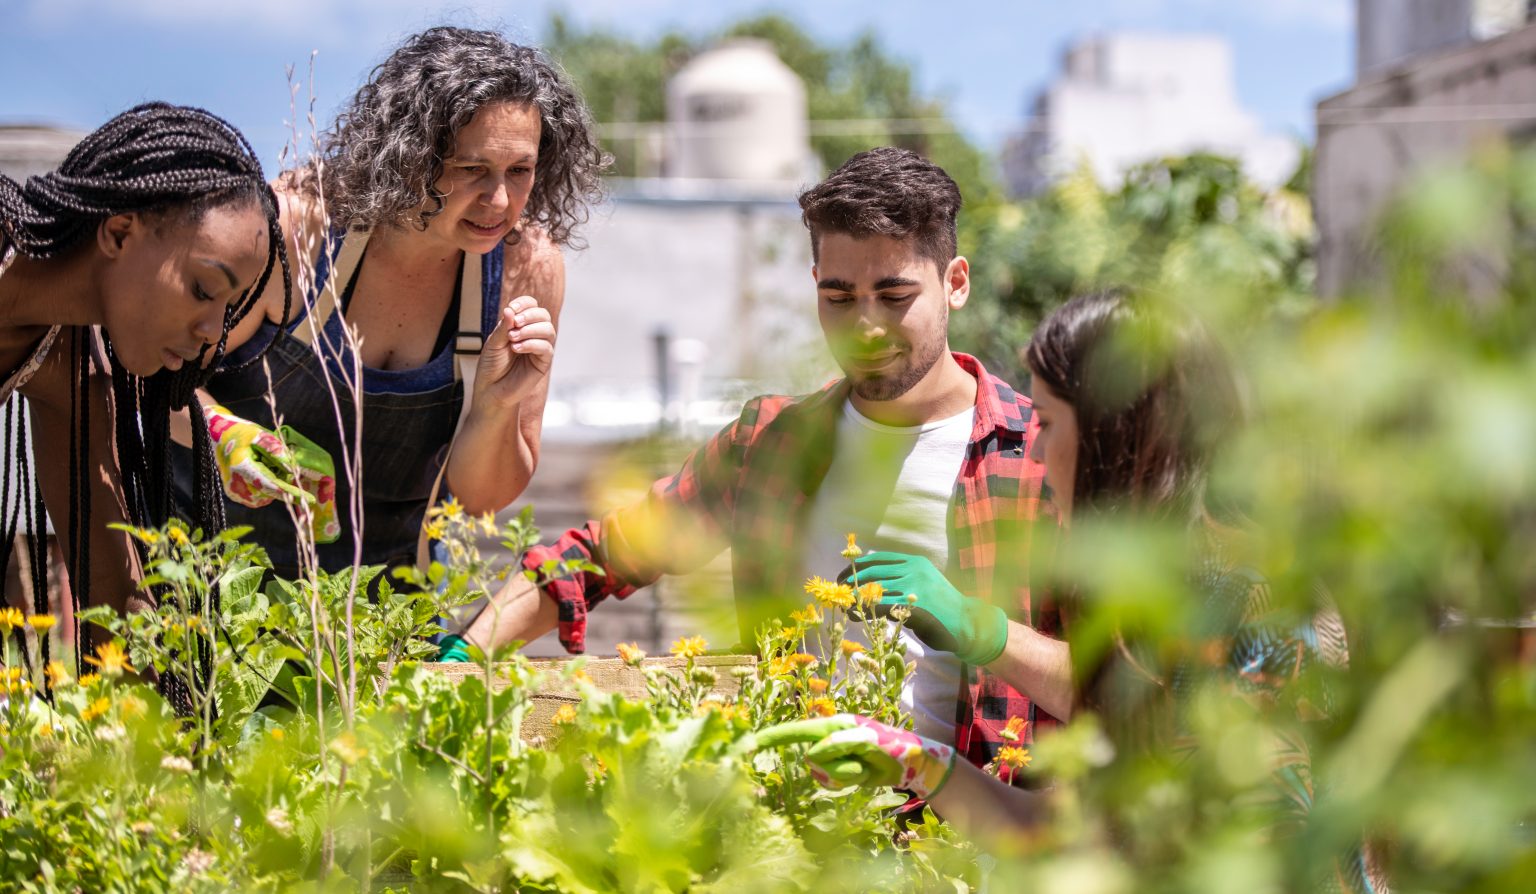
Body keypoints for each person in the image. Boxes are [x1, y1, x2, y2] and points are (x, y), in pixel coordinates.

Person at [447, 147, 1064, 773]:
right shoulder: (771, 443)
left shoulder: (1042, 454)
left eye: (894, 294)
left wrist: (983, 630)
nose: (866, 326)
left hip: (972, 847)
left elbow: (1130, 693)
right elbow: (595, 557)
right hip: (801, 833)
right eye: (840, 297)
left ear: (954, 283)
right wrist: (456, 663)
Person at [757, 291, 1380, 891]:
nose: (1037, 448)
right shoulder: (1143, 603)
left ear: (1119, 434)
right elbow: (1057, 828)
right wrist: (912, 759)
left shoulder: (1255, 607)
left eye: (1049, 423)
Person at [169, 26, 606, 579]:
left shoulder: (526, 269)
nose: (499, 200)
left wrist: (496, 407)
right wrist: (221, 433)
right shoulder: (296, 228)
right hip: (209, 578)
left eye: (519, 171)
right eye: (471, 170)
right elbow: (146, 377)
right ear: (409, 154)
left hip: (383, 612)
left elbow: (479, 502)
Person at [0, 103, 289, 661]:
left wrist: (170, 734)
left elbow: (113, 591)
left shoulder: (68, 364)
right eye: (205, 291)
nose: (211, 332)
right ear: (119, 233)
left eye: (229, 309)